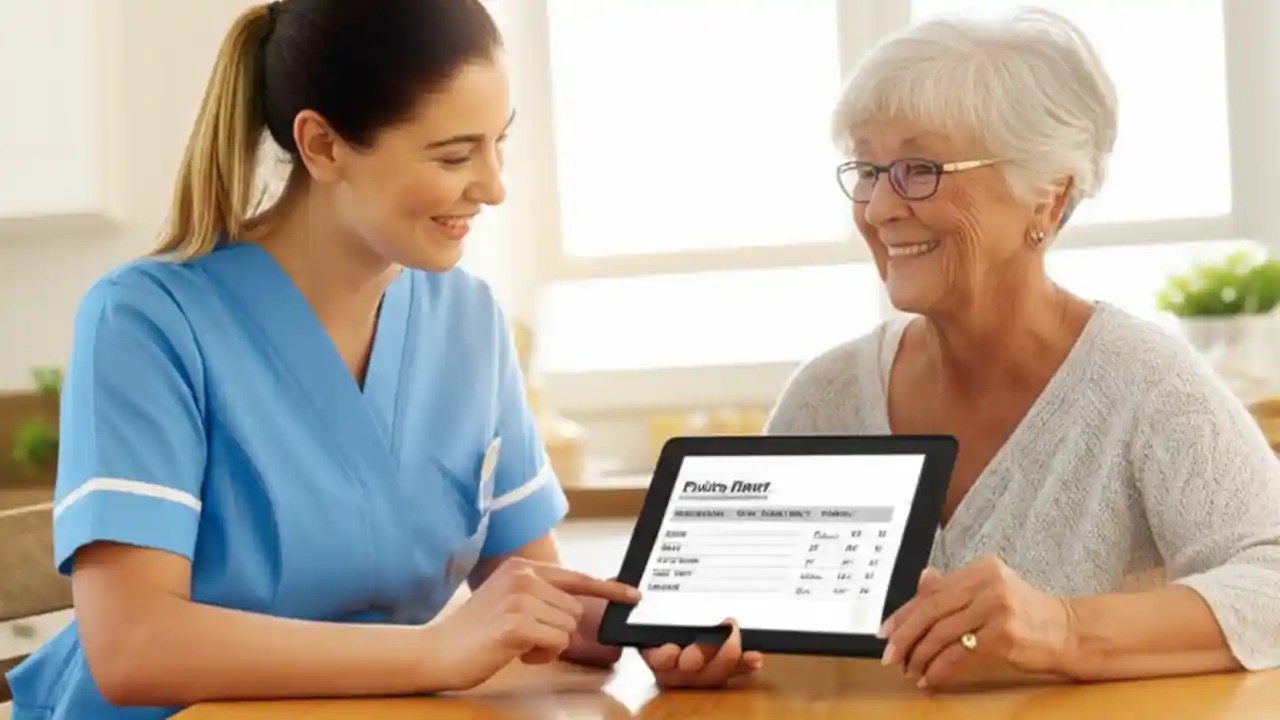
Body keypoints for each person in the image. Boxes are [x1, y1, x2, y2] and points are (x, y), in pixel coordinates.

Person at [5, 2, 759, 717]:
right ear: (323, 145)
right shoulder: (148, 321)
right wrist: (434, 652)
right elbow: (134, 648)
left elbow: (526, 585)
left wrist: (637, 626)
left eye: (500, 143)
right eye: (455, 153)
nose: (494, 186)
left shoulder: (467, 319)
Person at [765, 8, 1280, 691]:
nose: (880, 208)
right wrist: (717, 652)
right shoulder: (822, 396)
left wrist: (1063, 627)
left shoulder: (1146, 385)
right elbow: (761, 624)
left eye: (920, 168)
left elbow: (1271, 575)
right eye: (868, 169)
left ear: (1048, 196)